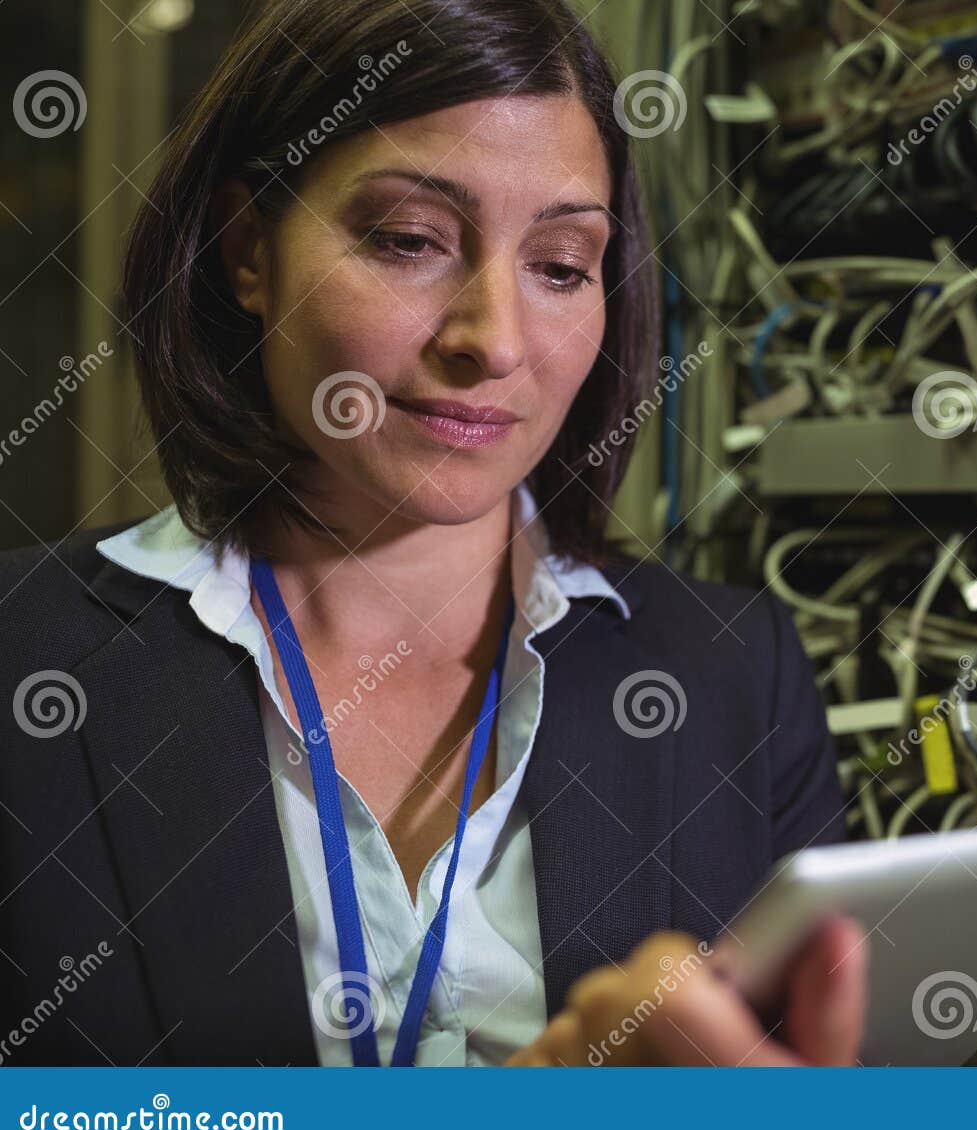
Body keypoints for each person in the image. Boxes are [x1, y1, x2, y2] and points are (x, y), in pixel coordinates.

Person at [0, 0, 865, 1067]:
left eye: (559, 265)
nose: (493, 340)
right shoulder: (25, 657)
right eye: (409, 241)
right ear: (246, 250)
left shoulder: (734, 672)